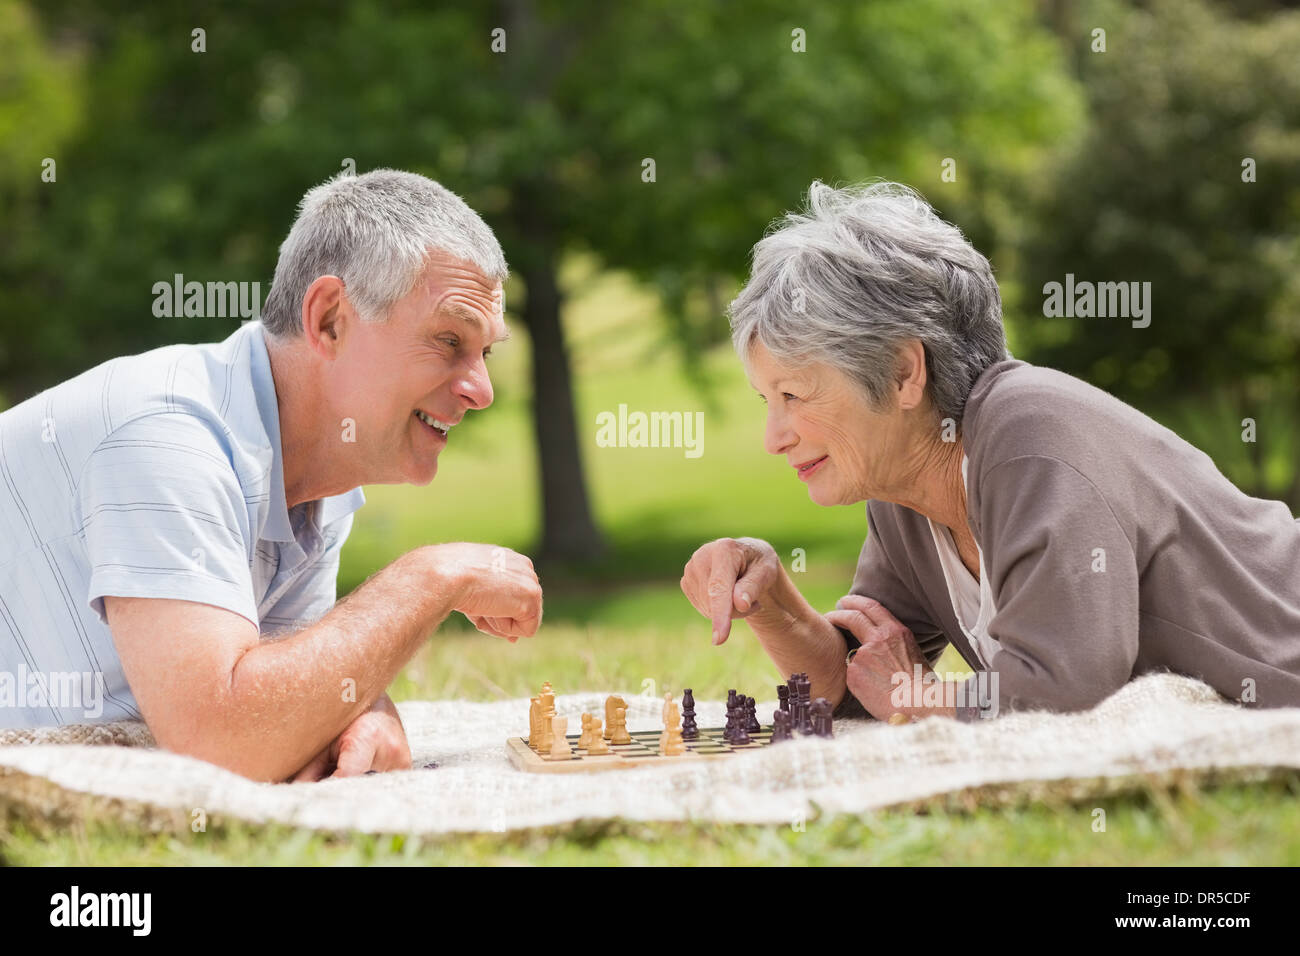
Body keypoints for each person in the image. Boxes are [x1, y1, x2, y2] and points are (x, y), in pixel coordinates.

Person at [681, 180, 1300, 723]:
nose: (774, 437)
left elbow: (1065, 697)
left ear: (902, 373)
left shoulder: (1031, 433)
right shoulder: (907, 492)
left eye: (794, 394)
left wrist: (924, 700)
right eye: (768, 400)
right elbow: (858, 689)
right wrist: (771, 604)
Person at [0, 169, 543, 780]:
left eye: (486, 352)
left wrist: (361, 714)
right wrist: (430, 578)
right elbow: (222, 740)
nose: (482, 390)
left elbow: (282, 696)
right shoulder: (167, 435)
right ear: (331, 319)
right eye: (449, 340)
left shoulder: (313, 478)